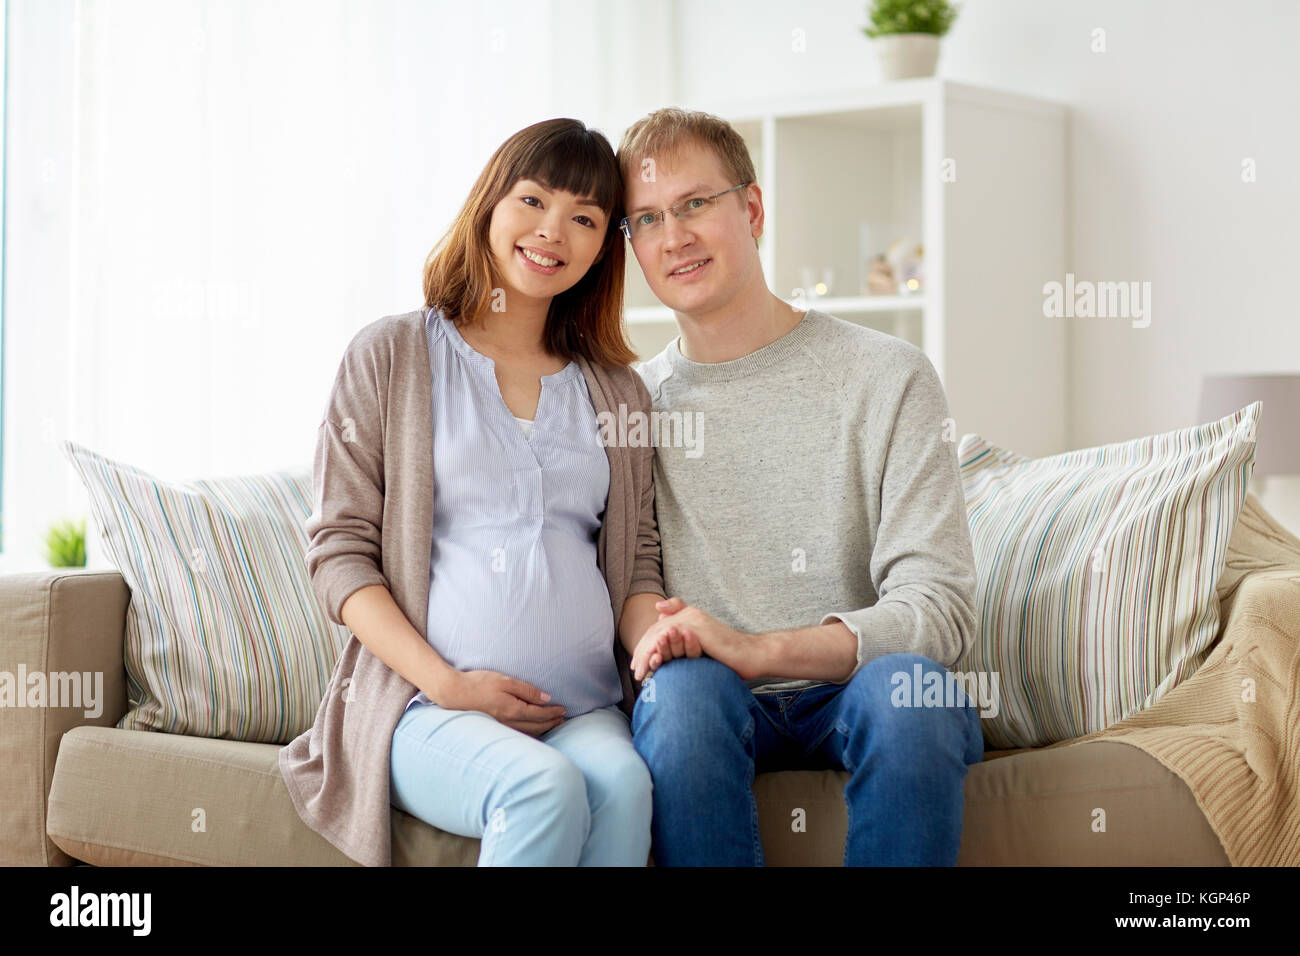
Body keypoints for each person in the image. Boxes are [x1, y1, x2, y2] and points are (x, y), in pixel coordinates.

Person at [284, 118, 668, 867]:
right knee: (541, 789)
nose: (553, 231)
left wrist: (664, 644)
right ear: (490, 203)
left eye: (585, 218)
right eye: (533, 200)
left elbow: (639, 557)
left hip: (582, 705)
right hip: (425, 705)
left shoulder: (618, 389)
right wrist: (450, 685)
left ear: (603, 247)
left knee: (625, 785)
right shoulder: (392, 355)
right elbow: (339, 555)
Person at [615, 108, 986, 866]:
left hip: (853, 687)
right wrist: (684, 644)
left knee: (914, 695)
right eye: (647, 219)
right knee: (681, 702)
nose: (674, 236)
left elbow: (939, 609)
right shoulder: (629, 406)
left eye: (694, 204)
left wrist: (761, 648)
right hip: (708, 698)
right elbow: (628, 583)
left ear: (751, 210)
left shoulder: (888, 375)